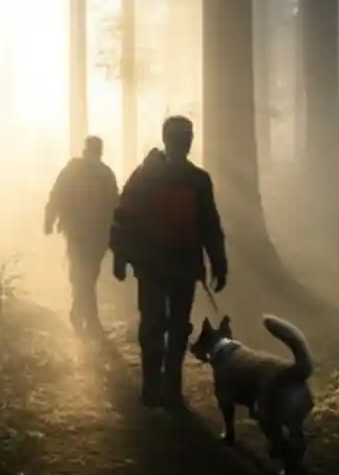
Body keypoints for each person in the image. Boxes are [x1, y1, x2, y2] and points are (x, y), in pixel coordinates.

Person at [110, 116, 227, 408]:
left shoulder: (159, 176)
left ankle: (162, 389)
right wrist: (120, 255)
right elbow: (124, 217)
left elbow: (209, 225)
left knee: (164, 325)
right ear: (173, 140)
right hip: (168, 266)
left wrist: (121, 257)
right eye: (183, 137)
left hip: (165, 266)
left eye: (187, 137)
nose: (186, 142)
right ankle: (162, 389)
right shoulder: (188, 178)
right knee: (165, 325)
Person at [44, 136, 119, 338]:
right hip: (97, 234)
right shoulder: (105, 172)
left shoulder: (72, 170)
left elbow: (56, 194)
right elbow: (115, 203)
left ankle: (80, 314)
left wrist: (49, 219)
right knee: (88, 276)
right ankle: (89, 319)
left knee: (81, 275)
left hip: (77, 231)